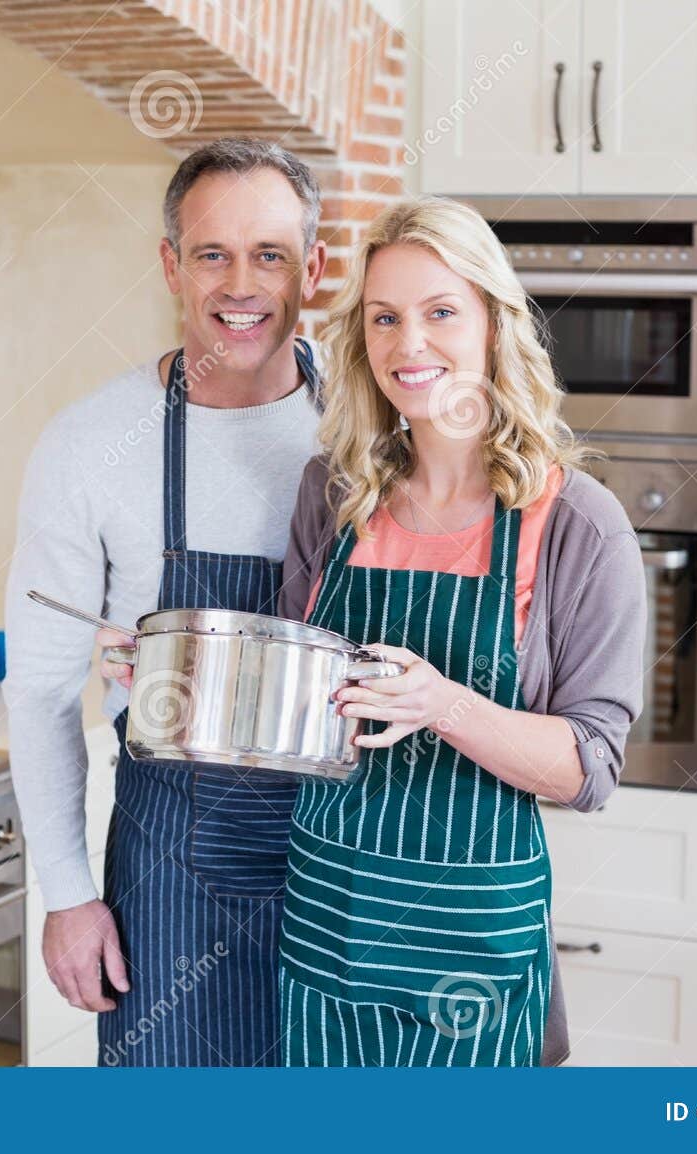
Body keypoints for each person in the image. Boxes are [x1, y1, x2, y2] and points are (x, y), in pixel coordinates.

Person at [275, 196, 646, 1066]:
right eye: (385, 318)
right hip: (328, 932)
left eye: (441, 312)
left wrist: (443, 703)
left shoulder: (577, 523)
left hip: (471, 957)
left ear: (492, 324)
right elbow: (297, 706)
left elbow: (590, 769)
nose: (410, 345)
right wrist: (182, 673)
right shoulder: (331, 493)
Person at [2, 138, 327, 1066]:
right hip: (174, 877)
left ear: (315, 264)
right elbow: (38, 689)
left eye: (270, 254)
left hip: (350, 865)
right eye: (212, 253)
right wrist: (66, 892)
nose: (241, 284)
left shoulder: (372, 429)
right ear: (170, 263)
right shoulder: (89, 444)